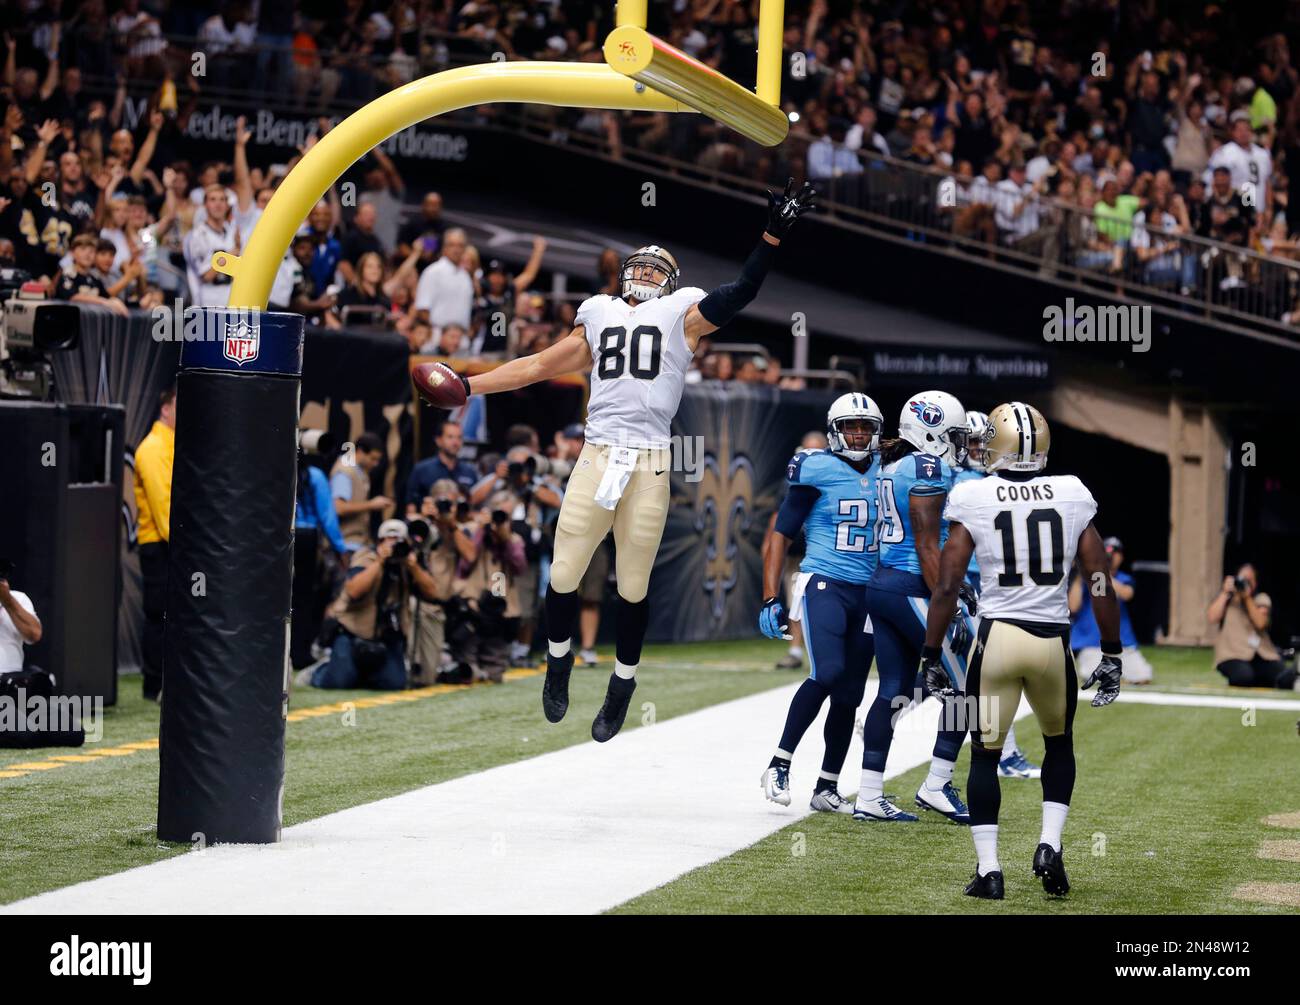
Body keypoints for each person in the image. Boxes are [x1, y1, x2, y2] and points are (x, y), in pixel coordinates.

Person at [414, 179, 817, 741]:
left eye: (659, 268)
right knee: (564, 572)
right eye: (641, 266)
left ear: (673, 282)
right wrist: (467, 385)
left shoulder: (683, 314)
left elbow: (741, 289)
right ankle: (558, 663)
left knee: (632, 585)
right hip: (598, 453)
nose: (647, 272)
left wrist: (771, 236)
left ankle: (622, 684)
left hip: (650, 462)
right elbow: (535, 365)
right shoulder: (599, 311)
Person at [920, 402, 1124, 900]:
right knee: (1059, 745)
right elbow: (1099, 579)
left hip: (999, 640)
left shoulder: (973, 495)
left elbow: (947, 586)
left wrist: (929, 654)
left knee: (984, 756)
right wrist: (1112, 651)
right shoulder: (1073, 492)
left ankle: (989, 871)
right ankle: (1049, 844)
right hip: (1053, 641)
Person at [758, 394, 883, 814]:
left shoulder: (891, 469)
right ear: (834, 430)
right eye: (852, 426)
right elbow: (779, 536)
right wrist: (771, 596)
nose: (859, 434)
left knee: (850, 695)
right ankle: (779, 762)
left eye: (866, 427)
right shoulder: (816, 468)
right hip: (825, 582)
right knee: (828, 672)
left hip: (869, 592)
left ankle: (826, 786)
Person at [854, 390, 973, 823]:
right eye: (954, 433)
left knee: (894, 689)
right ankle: (937, 784)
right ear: (932, 430)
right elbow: (925, 544)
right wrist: (951, 598)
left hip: (883, 584)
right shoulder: (927, 466)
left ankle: (869, 795)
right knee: (967, 691)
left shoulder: (893, 464)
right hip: (910, 587)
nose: (959, 442)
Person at [958, 409, 1042, 778]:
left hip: (996, 586)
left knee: (959, 670)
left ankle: (891, 714)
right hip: (972, 586)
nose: (978, 449)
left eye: (983, 442)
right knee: (986, 673)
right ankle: (1004, 753)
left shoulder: (997, 483)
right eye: (972, 442)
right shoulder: (961, 483)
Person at [315, 520, 440, 690]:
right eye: (389, 539)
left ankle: (363, 674)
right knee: (339, 682)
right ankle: (321, 669)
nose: (393, 543)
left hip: (386, 637)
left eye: (398, 539)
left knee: (394, 684)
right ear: (380, 541)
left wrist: (413, 566)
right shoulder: (367, 556)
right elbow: (353, 591)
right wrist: (379, 562)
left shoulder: (408, 562)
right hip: (353, 633)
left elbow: (432, 593)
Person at [132, 386, 175, 701]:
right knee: (158, 615)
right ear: (165, 408)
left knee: (173, 617)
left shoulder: (173, 444)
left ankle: (167, 681)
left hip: (174, 542)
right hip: (159, 544)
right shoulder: (151, 448)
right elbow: (163, 508)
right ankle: (154, 684)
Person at [1070, 536, 1154, 684]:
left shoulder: (1123, 578)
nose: (1110, 556)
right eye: (1106, 553)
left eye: (1115, 553)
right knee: (1096, 676)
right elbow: (1073, 606)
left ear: (1121, 557)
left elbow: (1127, 594)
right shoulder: (1085, 578)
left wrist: (1101, 570)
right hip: (1091, 643)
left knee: (1143, 676)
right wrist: (1079, 573)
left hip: (1121, 643)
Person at [1207, 563, 1294, 689]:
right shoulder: (1227, 600)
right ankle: (1254, 678)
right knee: (1243, 677)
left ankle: (1260, 678)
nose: (1244, 583)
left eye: (1249, 580)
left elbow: (1260, 623)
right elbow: (1212, 618)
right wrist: (1225, 593)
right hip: (1232, 654)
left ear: (1255, 583)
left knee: (1285, 678)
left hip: (1261, 654)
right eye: (1242, 579)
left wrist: (1247, 597)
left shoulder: (1260, 599)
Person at [405, 419, 483, 513]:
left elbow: (474, 504)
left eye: (459, 437)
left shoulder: (469, 471)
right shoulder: (421, 470)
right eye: (450, 437)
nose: (455, 442)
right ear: (438, 440)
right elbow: (411, 507)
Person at [330, 431, 390, 549]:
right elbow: (339, 508)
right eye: (373, 459)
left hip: (359, 541)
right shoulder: (344, 471)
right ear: (360, 451)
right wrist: (372, 504)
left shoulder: (359, 470)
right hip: (345, 542)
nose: (376, 464)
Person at [0, 565, 42, 674]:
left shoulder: (18, 598)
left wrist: (7, 601)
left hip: (13, 681)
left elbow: (34, 635)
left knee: (23, 690)